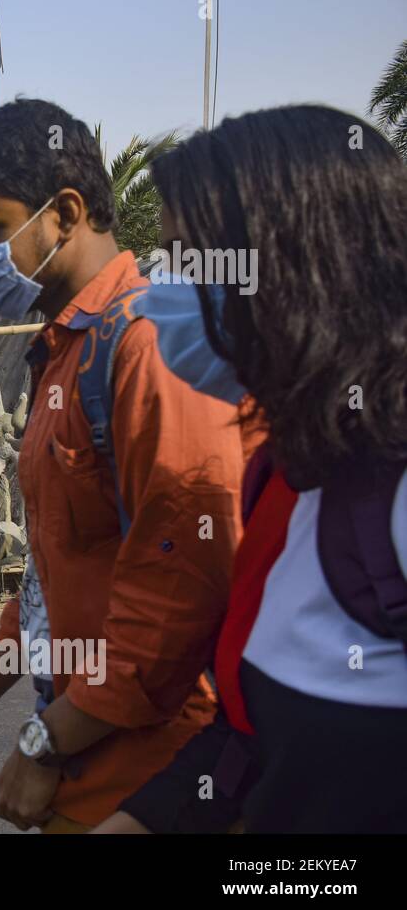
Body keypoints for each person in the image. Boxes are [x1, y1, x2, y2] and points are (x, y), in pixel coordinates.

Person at [0, 98, 251, 832]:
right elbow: (53, 576)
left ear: (64, 212)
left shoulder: (145, 345)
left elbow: (178, 594)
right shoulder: (66, 349)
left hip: (154, 767)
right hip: (92, 749)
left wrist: (43, 744)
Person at [93, 105, 407, 834]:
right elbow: (252, 745)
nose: (156, 290)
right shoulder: (293, 477)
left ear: (300, 267)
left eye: (184, 261)